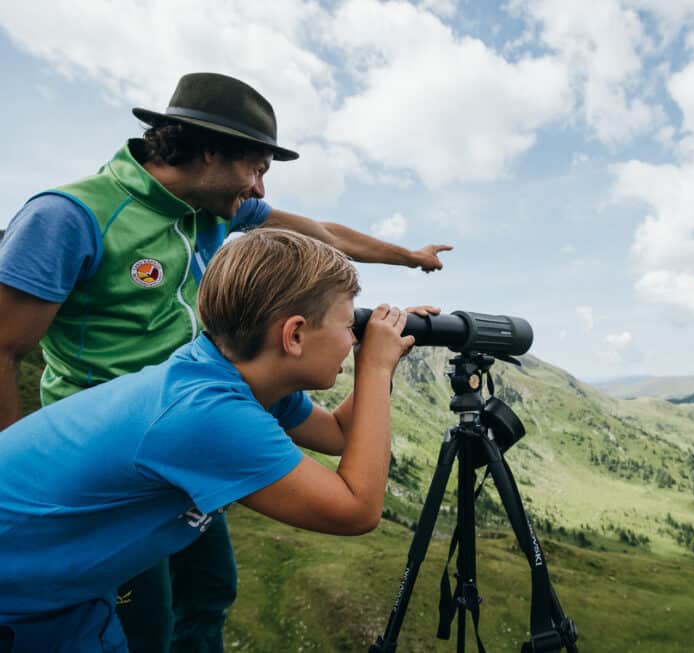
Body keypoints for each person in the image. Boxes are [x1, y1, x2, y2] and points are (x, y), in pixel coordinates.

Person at [0, 72, 450, 652]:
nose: (260, 188)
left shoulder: (217, 220)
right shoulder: (71, 215)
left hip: (181, 429)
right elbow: (356, 510)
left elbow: (321, 236)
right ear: (209, 151)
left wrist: (405, 265)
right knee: (145, 625)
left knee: (207, 593)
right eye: (256, 168)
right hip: (97, 489)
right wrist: (32, 500)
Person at [0, 228, 430, 652]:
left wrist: (385, 360)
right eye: (349, 326)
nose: (354, 339)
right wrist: (374, 369)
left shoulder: (226, 373)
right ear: (294, 335)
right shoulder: (208, 413)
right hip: (18, 595)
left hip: (62, 587)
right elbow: (356, 510)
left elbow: (338, 433)